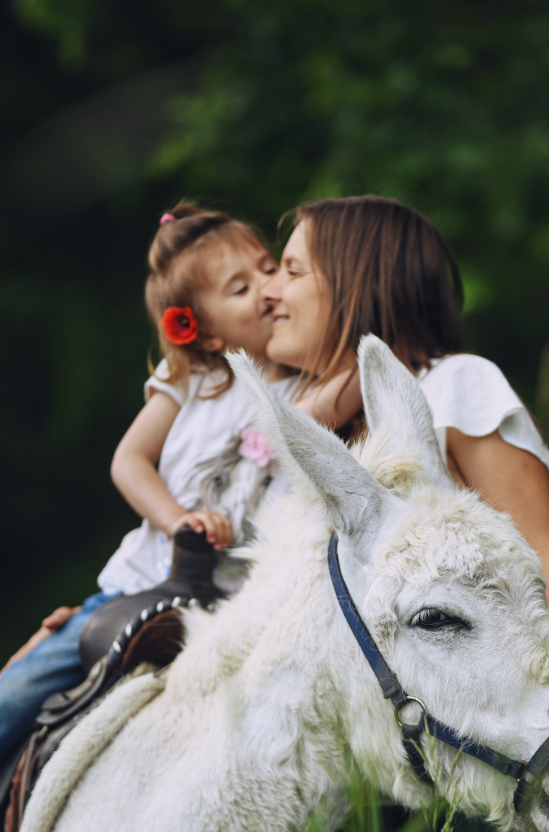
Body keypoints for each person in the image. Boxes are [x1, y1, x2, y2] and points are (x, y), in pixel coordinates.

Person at [260, 194, 549, 832]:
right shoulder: (301, 428)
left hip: (487, 767)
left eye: (293, 270)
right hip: (363, 800)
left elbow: (540, 558)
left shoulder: (456, 387)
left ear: (358, 282)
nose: (270, 293)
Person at [0, 204, 354, 764]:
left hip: (233, 611)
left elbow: (358, 373)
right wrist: (177, 521)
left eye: (269, 268)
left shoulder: (308, 388)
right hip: (137, 590)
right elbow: (129, 461)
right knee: (15, 692)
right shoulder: (194, 379)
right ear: (206, 332)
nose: (266, 287)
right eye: (240, 287)